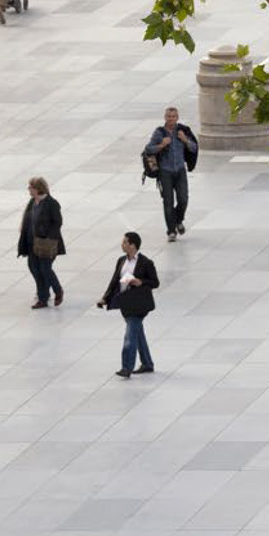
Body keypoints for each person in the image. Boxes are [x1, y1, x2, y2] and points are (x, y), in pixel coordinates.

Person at [97, 231, 159, 378]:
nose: (122, 244)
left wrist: (141, 282)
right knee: (138, 335)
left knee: (130, 336)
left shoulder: (146, 262)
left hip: (138, 304)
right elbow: (114, 282)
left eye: (125, 242)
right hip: (126, 303)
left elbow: (155, 282)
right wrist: (105, 298)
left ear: (133, 245)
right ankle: (147, 364)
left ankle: (127, 367)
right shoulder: (121, 261)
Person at [143, 107, 196, 241]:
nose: (171, 119)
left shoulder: (182, 131)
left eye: (173, 116)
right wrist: (161, 145)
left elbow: (194, 148)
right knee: (168, 202)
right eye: (168, 116)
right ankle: (171, 231)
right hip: (165, 171)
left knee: (183, 199)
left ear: (177, 118)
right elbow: (148, 149)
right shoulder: (159, 132)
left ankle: (178, 220)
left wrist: (185, 140)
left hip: (180, 170)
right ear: (165, 118)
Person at [19, 177, 64, 309]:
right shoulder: (33, 202)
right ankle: (43, 298)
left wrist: (47, 237)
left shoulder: (51, 203)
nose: (28, 189)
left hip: (46, 245)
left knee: (45, 269)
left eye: (30, 187)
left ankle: (57, 290)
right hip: (31, 243)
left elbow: (58, 223)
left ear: (37, 189)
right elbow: (27, 217)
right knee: (34, 268)